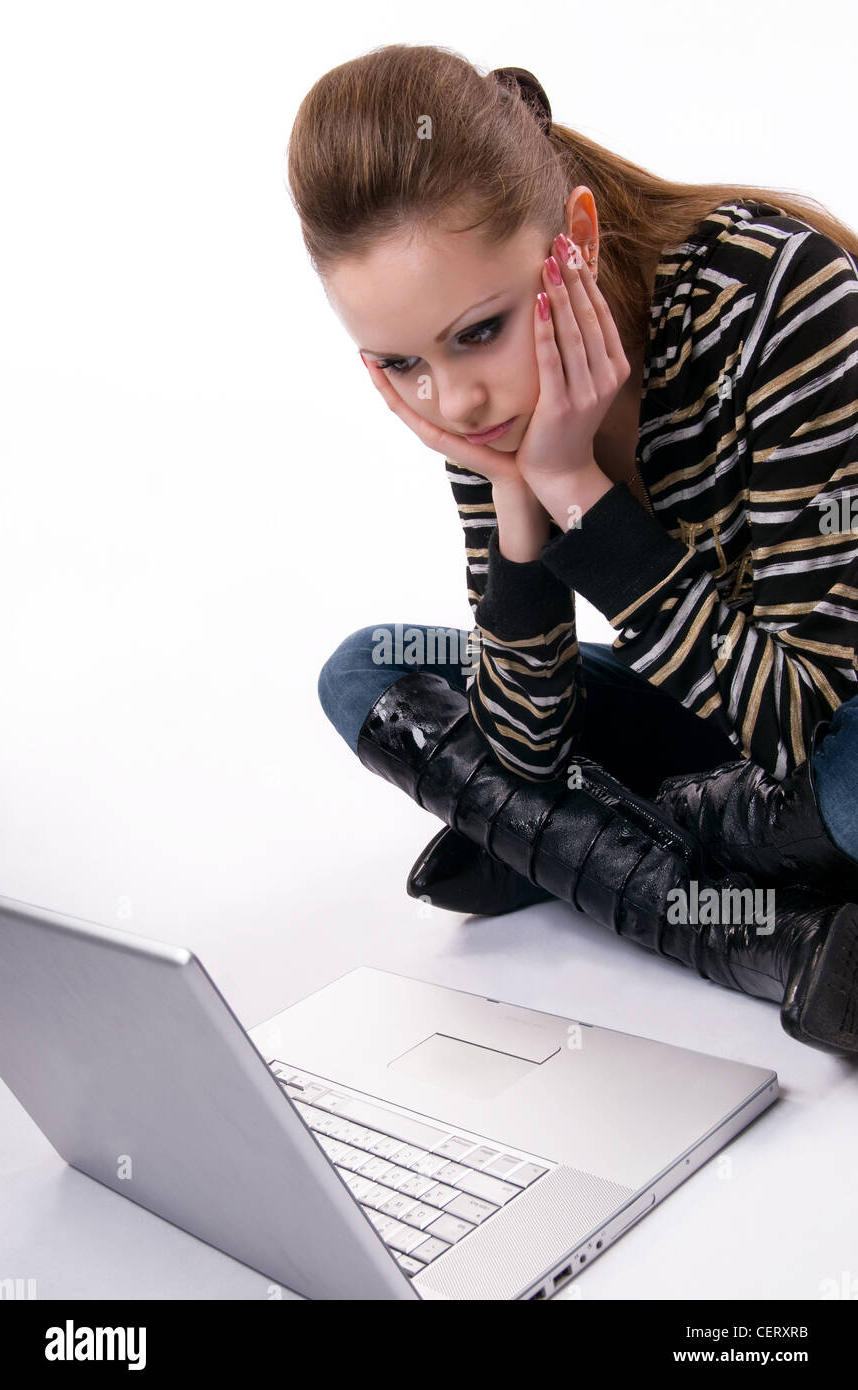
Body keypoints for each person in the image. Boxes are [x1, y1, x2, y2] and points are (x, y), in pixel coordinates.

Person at [287, 43, 858, 1055]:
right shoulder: (482, 411)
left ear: (573, 242)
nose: (452, 400)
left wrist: (582, 499)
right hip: (727, 745)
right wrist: (515, 490)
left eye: (476, 332)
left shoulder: (778, 295)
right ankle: (771, 939)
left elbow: (797, 716)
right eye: (399, 364)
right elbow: (525, 746)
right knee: (366, 671)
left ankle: (586, 851)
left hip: (821, 739)